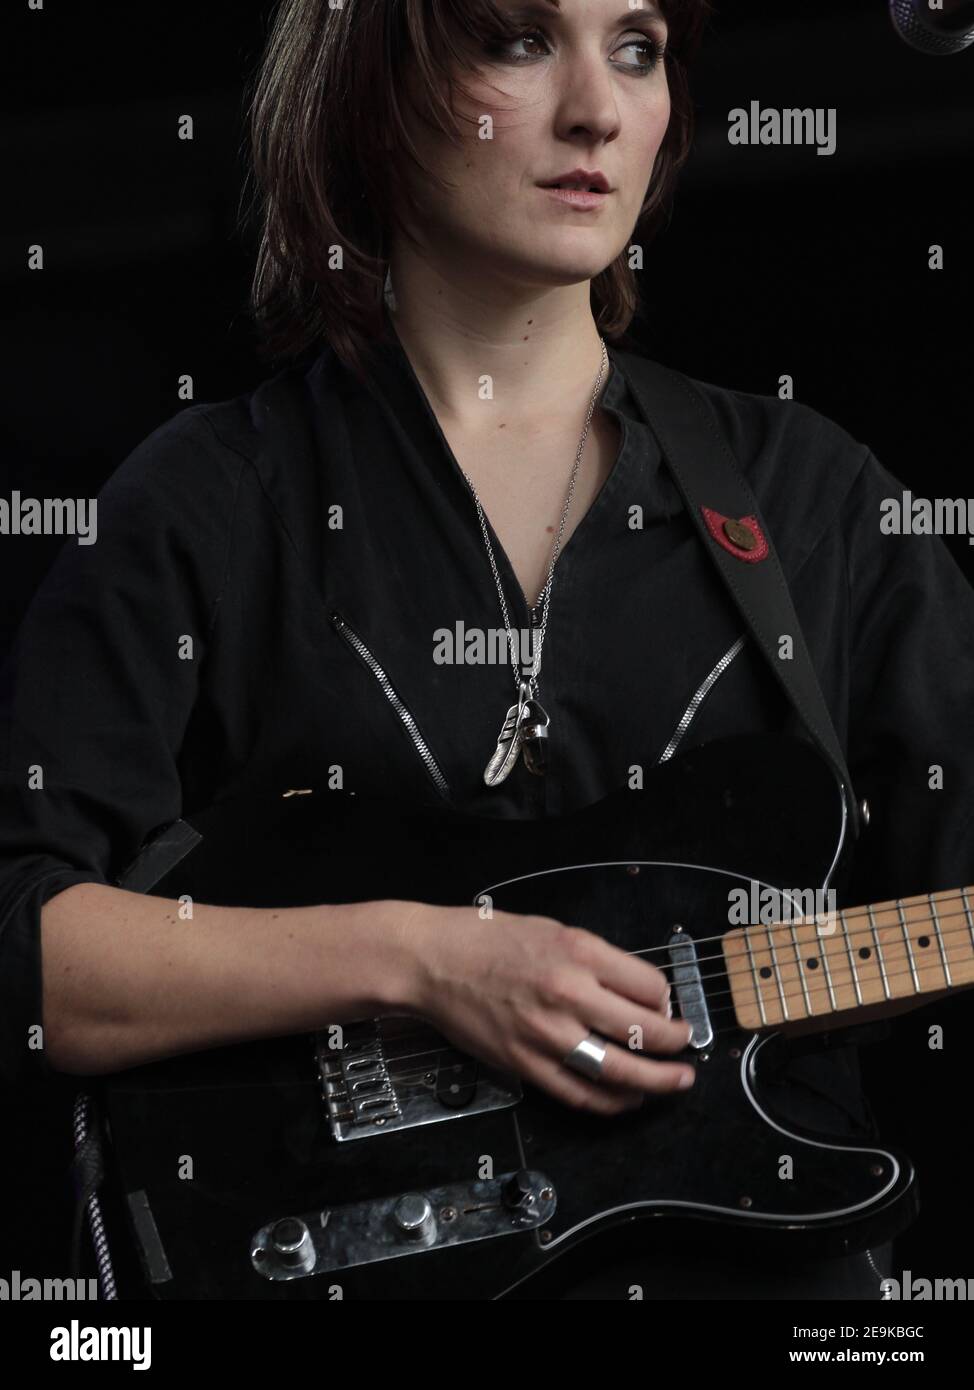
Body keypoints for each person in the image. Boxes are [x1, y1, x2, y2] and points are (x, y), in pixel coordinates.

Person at [2, 0, 972, 1299]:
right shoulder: (210, 503)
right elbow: (29, 943)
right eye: (517, 40)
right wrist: (422, 956)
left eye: (636, 48)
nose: (597, 108)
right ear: (370, 91)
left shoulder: (810, 499)